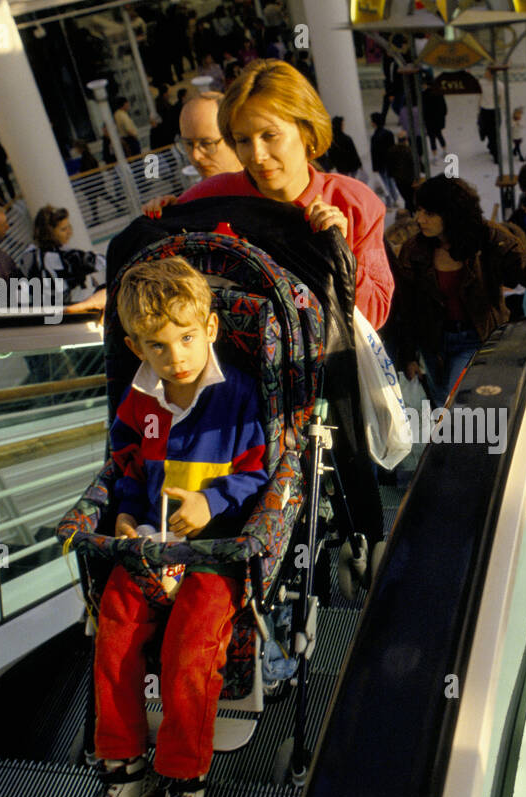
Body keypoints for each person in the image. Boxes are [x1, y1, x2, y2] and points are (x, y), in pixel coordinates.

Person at [73, 256, 269, 797]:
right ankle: (123, 763)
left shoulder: (238, 395)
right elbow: (126, 469)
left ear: (210, 328)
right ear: (136, 346)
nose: (176, 356)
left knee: (190, 652)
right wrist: (127, 514)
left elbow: (261, 472)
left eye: (187, 338)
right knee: (115, 633)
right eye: (158, 346)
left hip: (217, 553)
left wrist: (213, 502)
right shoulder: (139, 401)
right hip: (151, 551)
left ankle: (185, 777)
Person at [178, 58, 393, 550]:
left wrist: (337, 253)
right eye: (242, 140)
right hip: (242, 406)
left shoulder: (354, 203)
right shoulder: (212, 201)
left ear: (307, 133)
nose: (256, 154)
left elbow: (375, 312)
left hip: (325, 395)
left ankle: (357, 542)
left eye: (270, 136)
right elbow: (165, 261)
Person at [393, 176, 526, 407]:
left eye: (428, 213)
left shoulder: (486, 237)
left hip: (475, 336)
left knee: (454, 398)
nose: (419, 219)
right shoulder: (414, 250)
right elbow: (407, 306)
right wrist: (408, 355)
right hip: (433, 342)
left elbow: (524, 265)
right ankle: (451, 440)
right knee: (440, 401)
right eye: (418, 211)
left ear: (450, 213)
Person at [16, 204, 107, 308]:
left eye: (69, 227)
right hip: (71, 312)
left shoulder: (29, 255)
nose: (69, 232)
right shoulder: (65, 257)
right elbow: (99, 261)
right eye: (63, 229)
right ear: (49, 233)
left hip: (42, 313)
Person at [370, 111, 401, 207]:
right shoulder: (389, 133)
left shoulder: (374, 137)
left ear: (374, 123)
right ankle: (395, 199)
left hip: (380, 164)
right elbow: (393, 148)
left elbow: (374, 153)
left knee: (385, 184)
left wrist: (374, 168)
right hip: (389, 162)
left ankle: (389, 202)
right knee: (391, 181)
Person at [325, 115, 364, 181]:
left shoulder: (332, 141)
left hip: (341, 168)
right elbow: (354, 153)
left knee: (346, 182)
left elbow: (331, 156)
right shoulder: (347, 139)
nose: (344, 126)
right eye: (342, 124)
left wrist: (331, 166)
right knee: (353, 181)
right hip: (351, 167)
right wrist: (359, 164)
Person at [387, 130, 417, 213]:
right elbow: (414, 164)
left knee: (406, 198)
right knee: (411, 198)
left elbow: (389, 165)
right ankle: (411, 213)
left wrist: (392, 175)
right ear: (406, 140)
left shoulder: (392, 150)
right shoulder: (409, 150)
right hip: (409, 179)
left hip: (398, 179)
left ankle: (409, 213)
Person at [422, 77, 448, 156]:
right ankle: (444, 150)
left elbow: (424, 108)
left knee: (432, 138)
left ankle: (434, 155)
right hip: (438, 119)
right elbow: (444, 108)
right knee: (439, 134)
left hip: (429, 120)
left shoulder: (424, 94)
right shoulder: (439, 93)